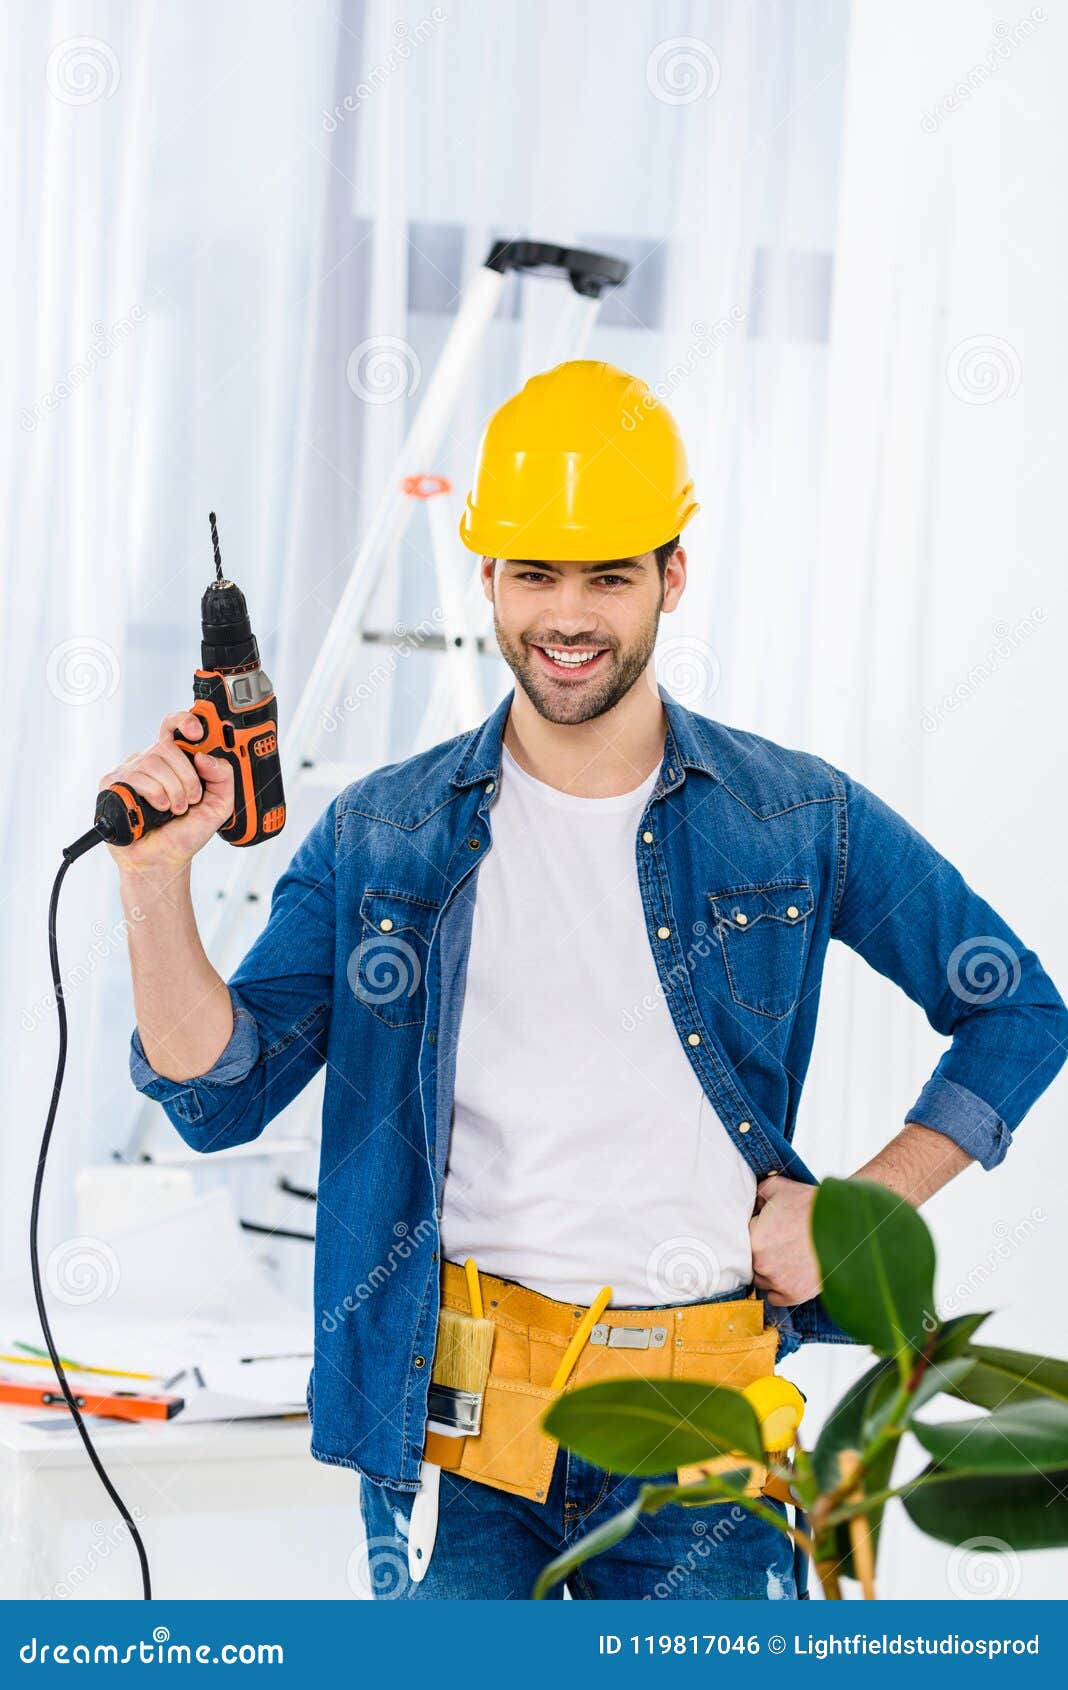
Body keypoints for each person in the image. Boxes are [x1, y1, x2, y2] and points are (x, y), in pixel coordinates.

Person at [108, 360, 1068, 1600]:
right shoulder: (383, 834)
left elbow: (1018, 1008)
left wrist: (861, 1209)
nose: (568, 616)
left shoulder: (793, 816)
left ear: (674, 574)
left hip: (699, 1441)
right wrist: (153, 881)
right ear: (489, 578)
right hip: (465, 1446)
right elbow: (213, 1090)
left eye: (608, 574)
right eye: (535, 573)